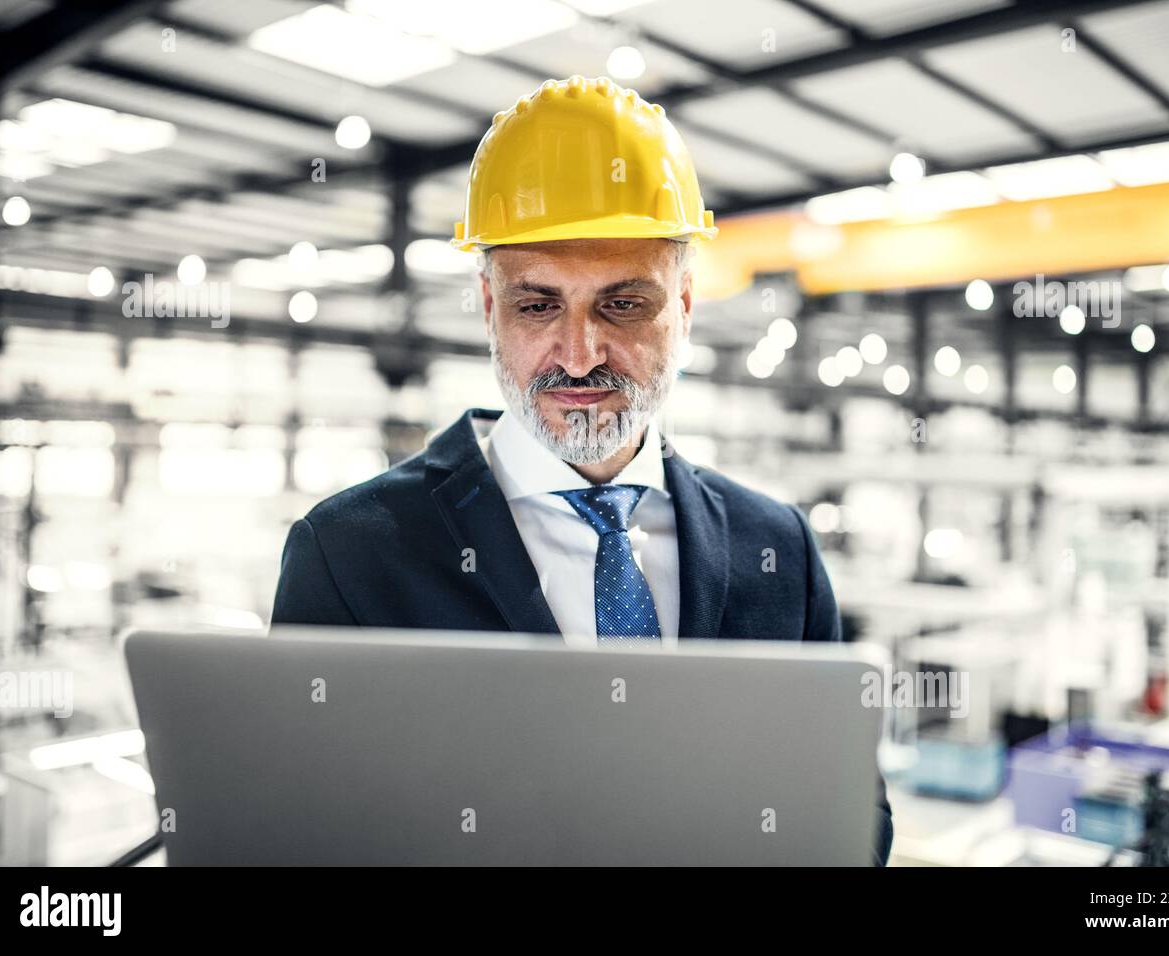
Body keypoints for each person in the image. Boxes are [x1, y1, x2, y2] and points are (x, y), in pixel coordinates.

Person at [271, 75, 892, 864]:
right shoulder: (351, 555)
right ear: (490, 307)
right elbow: (294, 835)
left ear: (686, 306)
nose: (578, 353)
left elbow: (853, 821)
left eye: (623, 305)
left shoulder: (780, 554)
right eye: (537, 305)